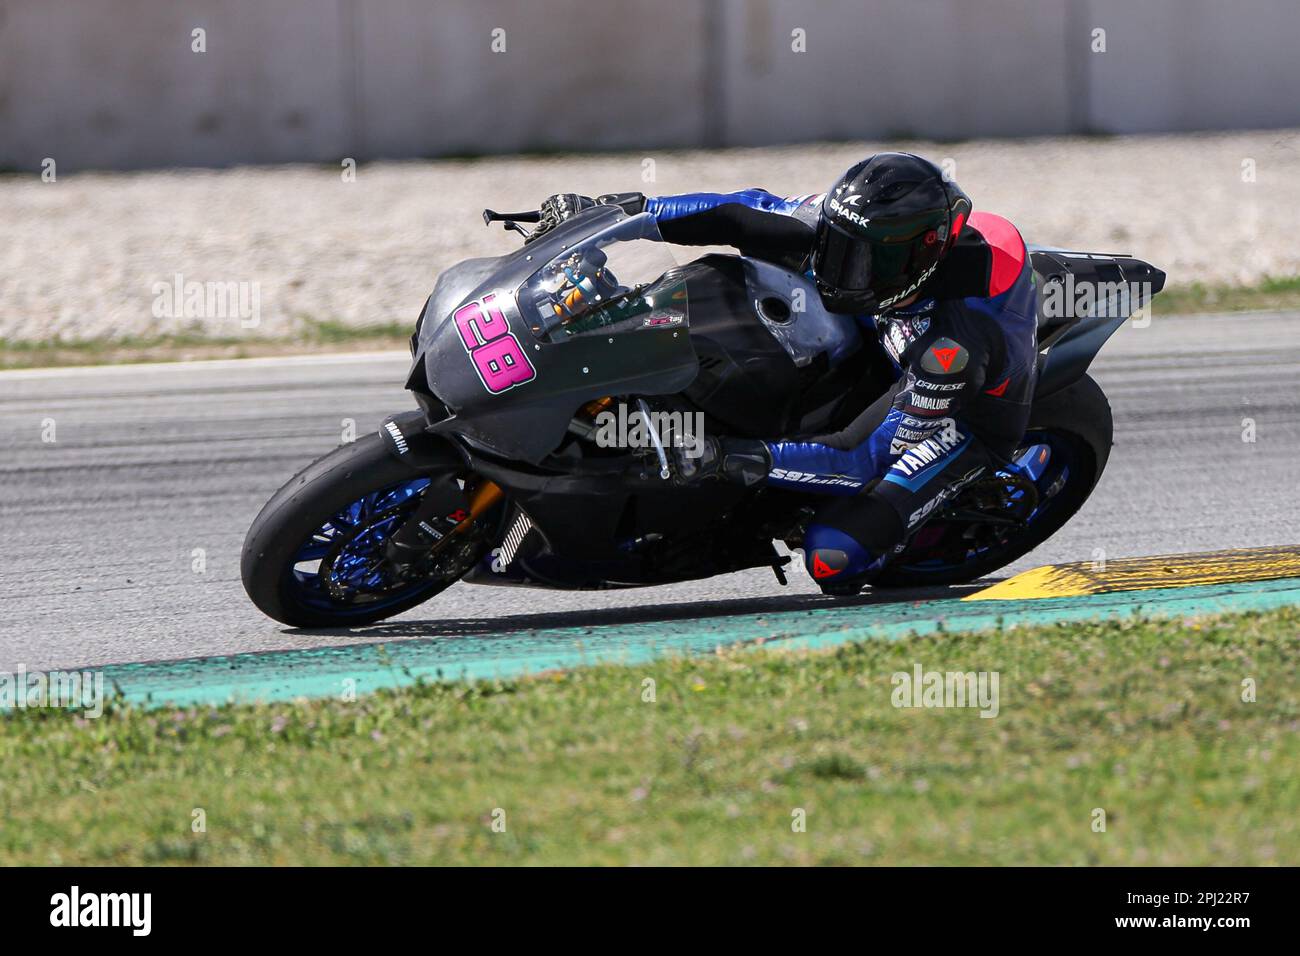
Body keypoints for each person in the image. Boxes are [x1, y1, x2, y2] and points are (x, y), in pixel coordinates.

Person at [529, 152, 1038, 595]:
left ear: (919, 258)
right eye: (839, 246)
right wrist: (615, 214)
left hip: (962, 420)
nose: (840, 269)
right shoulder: (849, 227)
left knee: (832, 558)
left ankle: (918, 523)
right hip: (883, 342)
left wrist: (726, 456)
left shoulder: (952, 347)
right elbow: (739, 213)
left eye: (865, 260)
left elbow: (862, 456)